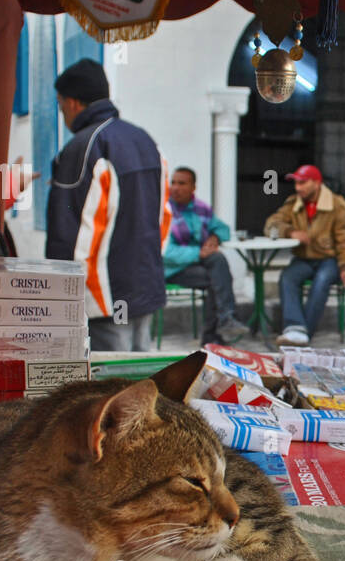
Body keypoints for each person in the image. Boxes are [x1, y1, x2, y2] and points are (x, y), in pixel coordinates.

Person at [45, 58, 169, 352]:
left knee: (110, 376)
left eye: (61, 107)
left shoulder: (84, 147)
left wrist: (60, 296)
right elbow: (163, 216)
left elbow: (67, 232)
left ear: (73, 103)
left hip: (103, 295)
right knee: (140, 372)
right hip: (143, 284)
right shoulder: (144, 140)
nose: (63, 115)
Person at [265, 164, 345, 346]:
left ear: (316, 183)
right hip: (303, 259)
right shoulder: (293, 203)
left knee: (322, 280)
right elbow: (271, 225)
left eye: (302, 183)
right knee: (287, 277)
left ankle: (303, 333)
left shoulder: (337, 205)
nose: (298, 187)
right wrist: (290, 231)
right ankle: (295, 327)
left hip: (329, 260)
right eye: (296, 183)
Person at [163, 166, 247, 345]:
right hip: (172, 269)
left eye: (182, 183)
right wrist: (199, 253)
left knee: (217, 261)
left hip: (199, 264)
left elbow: (223, 229)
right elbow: (165, 252)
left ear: (193, 187)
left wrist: (214, 237)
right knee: (216, 278)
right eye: (173, 183)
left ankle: (220, 325)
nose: (175, 188)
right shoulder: (164, 212)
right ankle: (219, 326)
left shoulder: (201, 208)